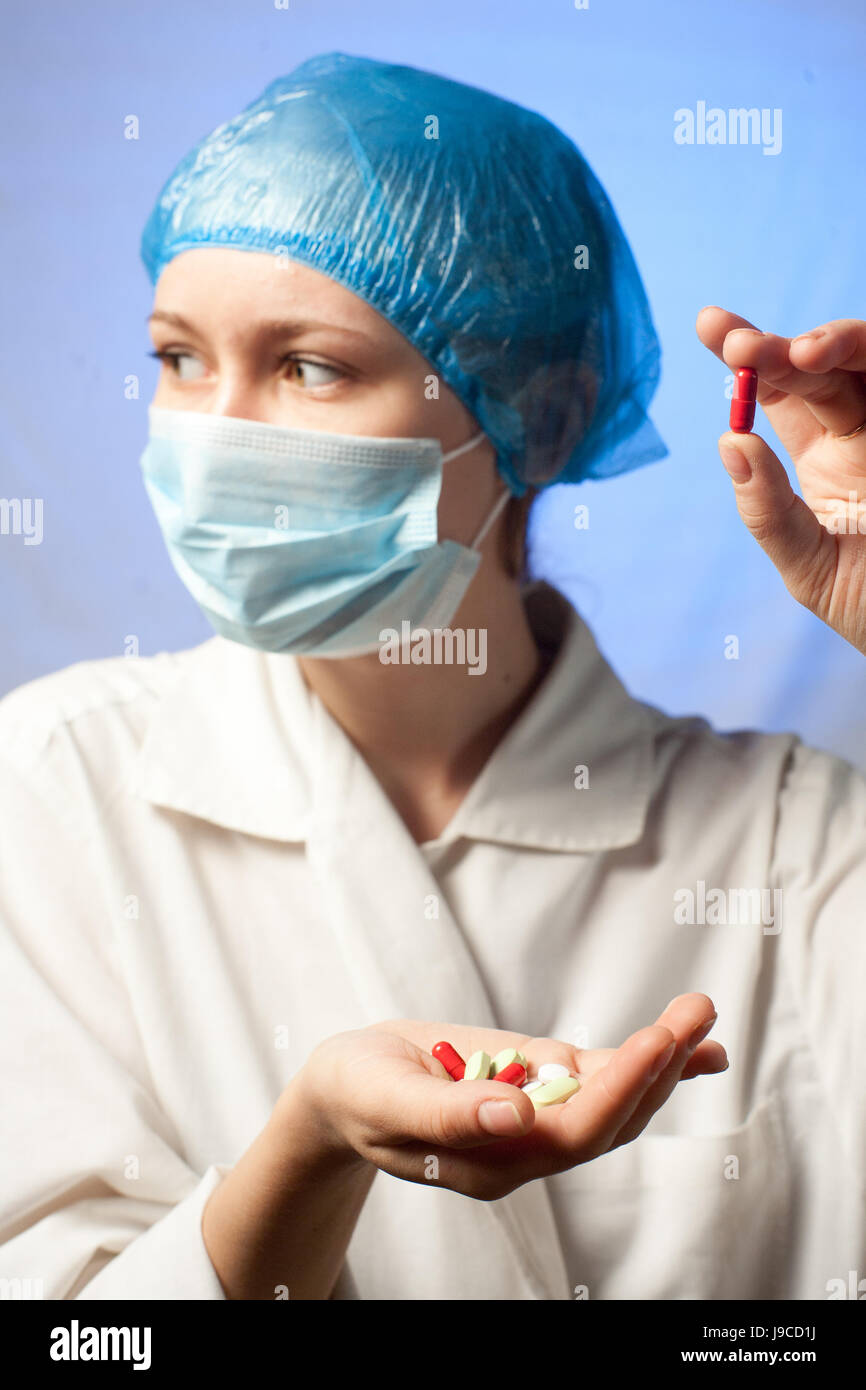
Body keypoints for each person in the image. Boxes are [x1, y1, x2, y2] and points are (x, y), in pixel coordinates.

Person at [1, 52, 865, 1303]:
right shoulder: (48, 791)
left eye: (307, 366)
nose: (212, 433)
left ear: (546, 419)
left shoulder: (801, 847)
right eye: (178, 358)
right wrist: (303, 1159)